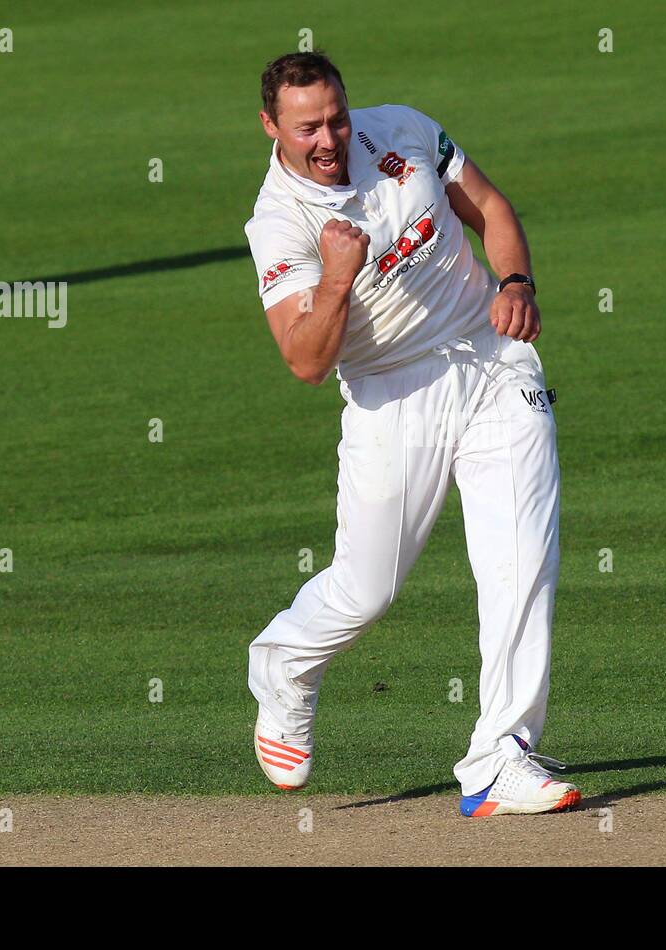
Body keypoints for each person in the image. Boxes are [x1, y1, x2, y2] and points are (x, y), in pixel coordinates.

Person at [242, 51, 577, 817]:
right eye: (307, 128)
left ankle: (500, 759)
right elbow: (303, 360)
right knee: (366, 591)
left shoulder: (404, 131)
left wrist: (518, 284)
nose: (328, 138)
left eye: (335, 117)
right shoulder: (278, 222)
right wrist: (335, 278)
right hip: (392, 395)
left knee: (522, 562)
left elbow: (490, 208)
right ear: (271, 127)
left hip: (492, 361)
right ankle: (285, 667)